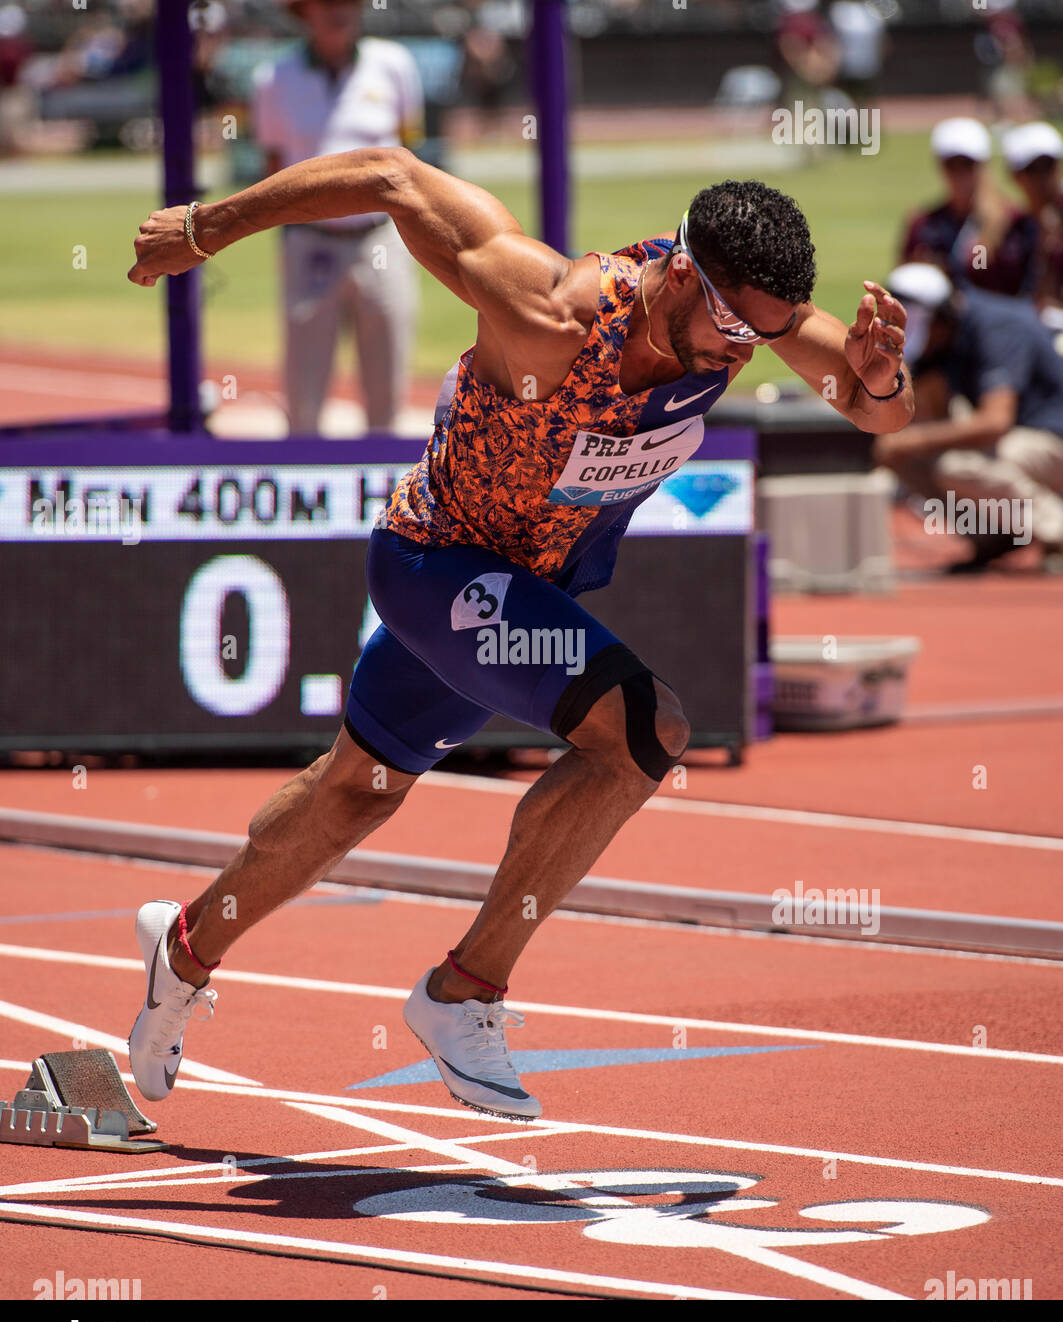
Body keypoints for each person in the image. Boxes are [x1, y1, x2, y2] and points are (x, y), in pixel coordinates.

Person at [126, 151, 912, 1120]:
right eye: (733, 323)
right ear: (680, 274)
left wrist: (879, 383)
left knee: (349, 799)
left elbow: (879, 406)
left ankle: (181, 951)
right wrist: (206, 227)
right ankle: (463, 993)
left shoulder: (744, 319)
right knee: (643, 732)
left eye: (771, 330)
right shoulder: (550, 309)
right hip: (433, 565)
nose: (746, 349)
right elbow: (386, 175)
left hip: (518, 594)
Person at [252, 0, 424, 434]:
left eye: (349, 1)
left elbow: (410, 151)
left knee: (388, 384)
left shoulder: (394, 64)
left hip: (380, 238)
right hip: (310, 243)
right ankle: (304, 485)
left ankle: (386, 492)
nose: (339, 10)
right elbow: (272, 167)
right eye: (327, 2)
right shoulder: (274, 78)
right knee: (303, 394)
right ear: (303, 11)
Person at [873, 261, 1063, 573]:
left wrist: (912, 439)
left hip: (1051, 437)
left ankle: (1056, 529)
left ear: (944, 317)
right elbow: (923, 413)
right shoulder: (945, 336)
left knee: (957, 466)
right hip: (1016, 437)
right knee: (907, 458)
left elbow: (995, 422)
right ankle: (993, 536)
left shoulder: (998, 327)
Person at [899, 117, 1037, 300]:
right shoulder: (925, 225)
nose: (960, 174)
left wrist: (984, 243)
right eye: (952, 165)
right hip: (945, 324)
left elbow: (982, 271)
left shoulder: (1015, 222)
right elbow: (905, 286)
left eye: (967, 165)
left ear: (983, 166)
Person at [1002, 121, 1063, 326]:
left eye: (1048, 166)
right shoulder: (1010, 229)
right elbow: (979, 267)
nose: (1043, 178)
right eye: (1032, 170)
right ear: (1016, 176)